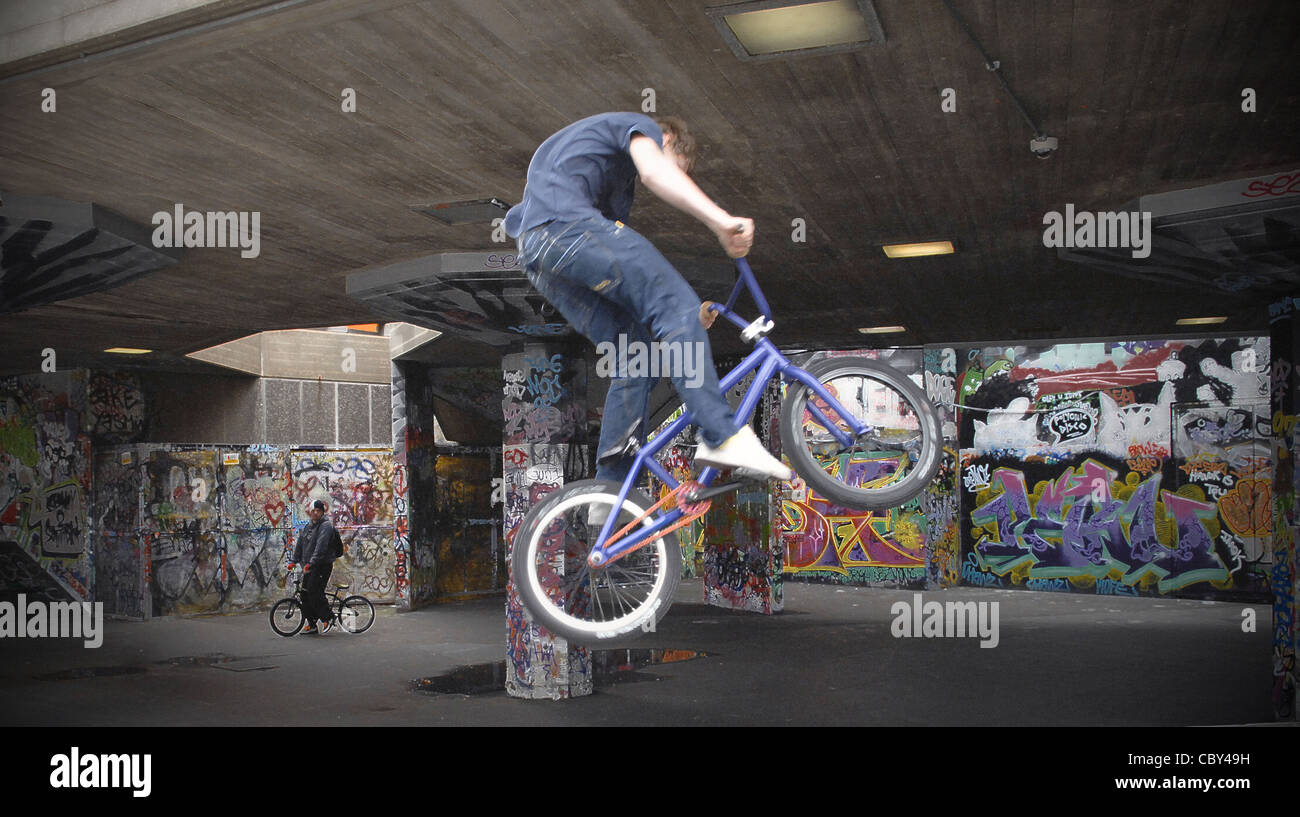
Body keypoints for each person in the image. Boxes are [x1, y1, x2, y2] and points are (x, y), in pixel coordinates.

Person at [505, 112, 792, 495]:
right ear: (667, 139)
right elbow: (656, 173)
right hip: (564, 229)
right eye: (679, 168)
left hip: (540, 255)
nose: (676, 178)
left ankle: (611, 491)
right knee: (673, 305)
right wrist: (720, 221)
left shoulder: (606, 182)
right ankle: (721, 435)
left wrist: (685, 319)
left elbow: (621, 274)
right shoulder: (639, 126)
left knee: (635, 354)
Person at [291, 499, 342, 634]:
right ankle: (312, 623)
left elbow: (321, 548)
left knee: (314, 592)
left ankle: (328, 618)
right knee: (304, 595)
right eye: (313, 510)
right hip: (310, 566)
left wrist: (311, 563)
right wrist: (294, 560)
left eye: (318, 511)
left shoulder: (326, 526)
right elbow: (300, 544)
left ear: (322, 512)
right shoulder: (308, 526)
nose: (315, 513)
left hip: (321, 566)